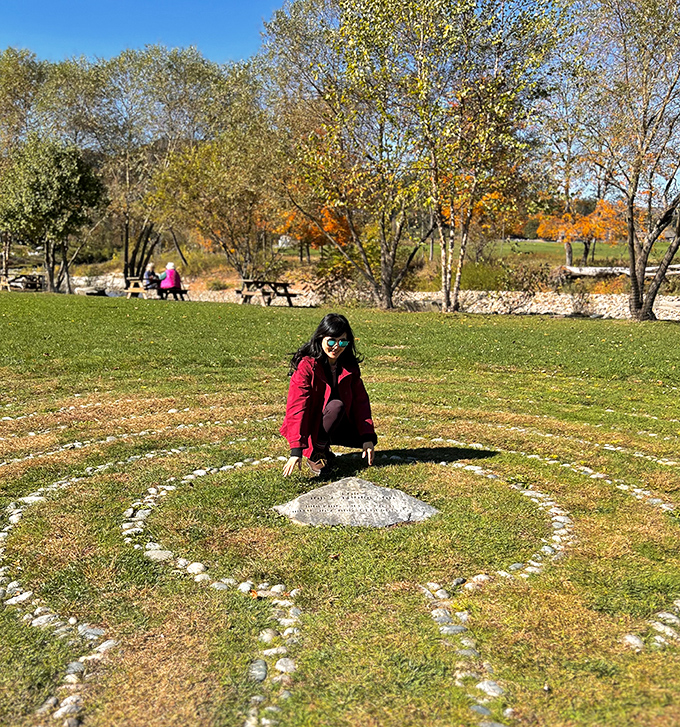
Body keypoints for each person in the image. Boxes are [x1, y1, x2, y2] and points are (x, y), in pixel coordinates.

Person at [281, 313, 377, 476]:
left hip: (339, 421)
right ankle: (316, 452)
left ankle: (322, 448)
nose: (336, 346)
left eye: (343, 341)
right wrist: (296, 450)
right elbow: (297, 407)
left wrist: (367, 436)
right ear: (320, 338)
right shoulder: (306, 367)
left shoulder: (349, 366)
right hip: (311, 426)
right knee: (336, 405)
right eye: (331, 341)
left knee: (338, 407)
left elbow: (361, 402)